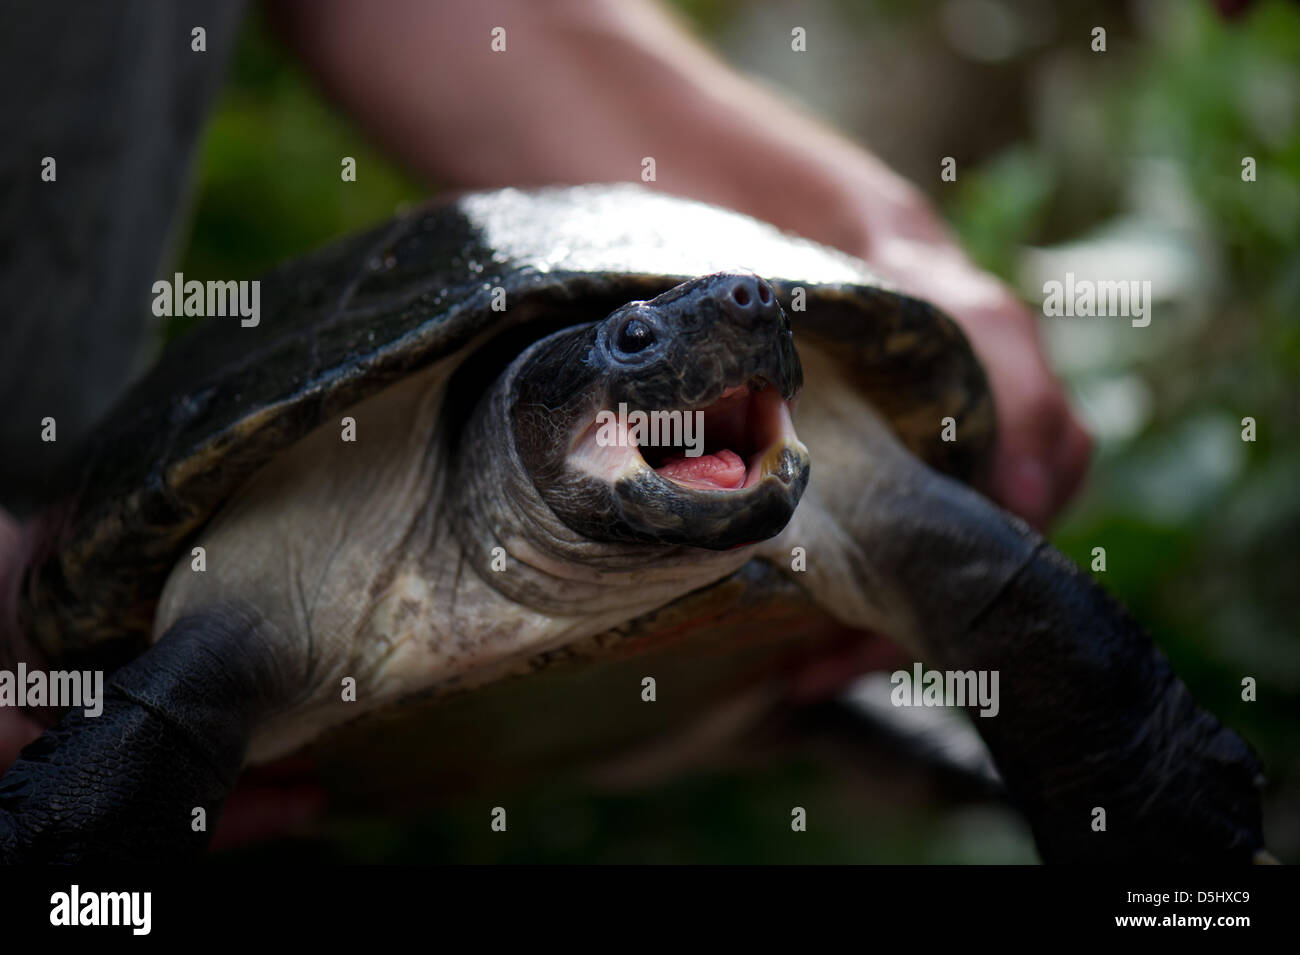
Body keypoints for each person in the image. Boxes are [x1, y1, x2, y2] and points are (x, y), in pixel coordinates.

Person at [0, 0, 1090, 839]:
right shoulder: (284, 561)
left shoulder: (772, 449)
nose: (754, 323)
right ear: (521, 403)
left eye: (766, 346)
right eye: (633, 345)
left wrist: (861, 230)